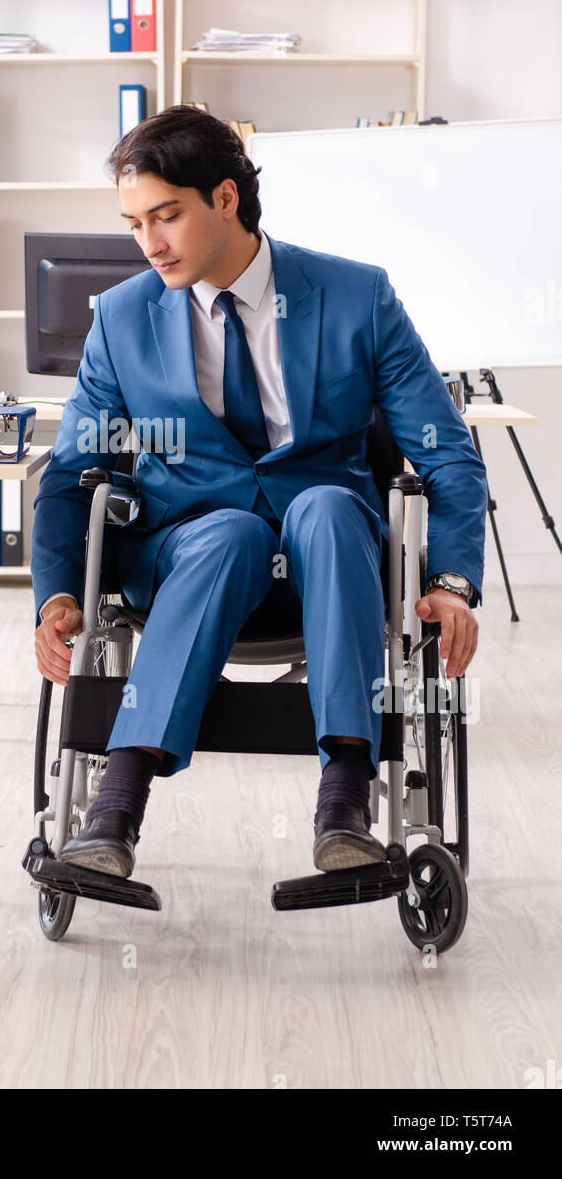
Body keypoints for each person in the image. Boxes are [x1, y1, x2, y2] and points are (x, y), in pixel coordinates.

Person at [31, 105, 486, 880]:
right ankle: (115, 805)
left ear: (225, 199)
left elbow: (447, 456)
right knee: (226, 534)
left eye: (166, 215)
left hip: (328, 564)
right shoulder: (121, 318)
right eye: (135, 221)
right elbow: (74, 472)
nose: (149, 243)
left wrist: (448, 582)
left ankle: (344, 798)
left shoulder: (355, 297)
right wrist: (59, 594)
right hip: (187, 561)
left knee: (329, 504)